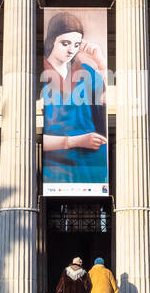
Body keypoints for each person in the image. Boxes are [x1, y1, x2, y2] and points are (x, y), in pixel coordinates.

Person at [40, 11, 108, 189]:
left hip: (92, 162)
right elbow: (28, 136)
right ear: (51, 41)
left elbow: (106, 101)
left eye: (76, 44)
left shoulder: (84, 71)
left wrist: (100, 63)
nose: (71, 50)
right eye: (65, 43)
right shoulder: (38, 74)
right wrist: (76, 141)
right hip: (58, 165)